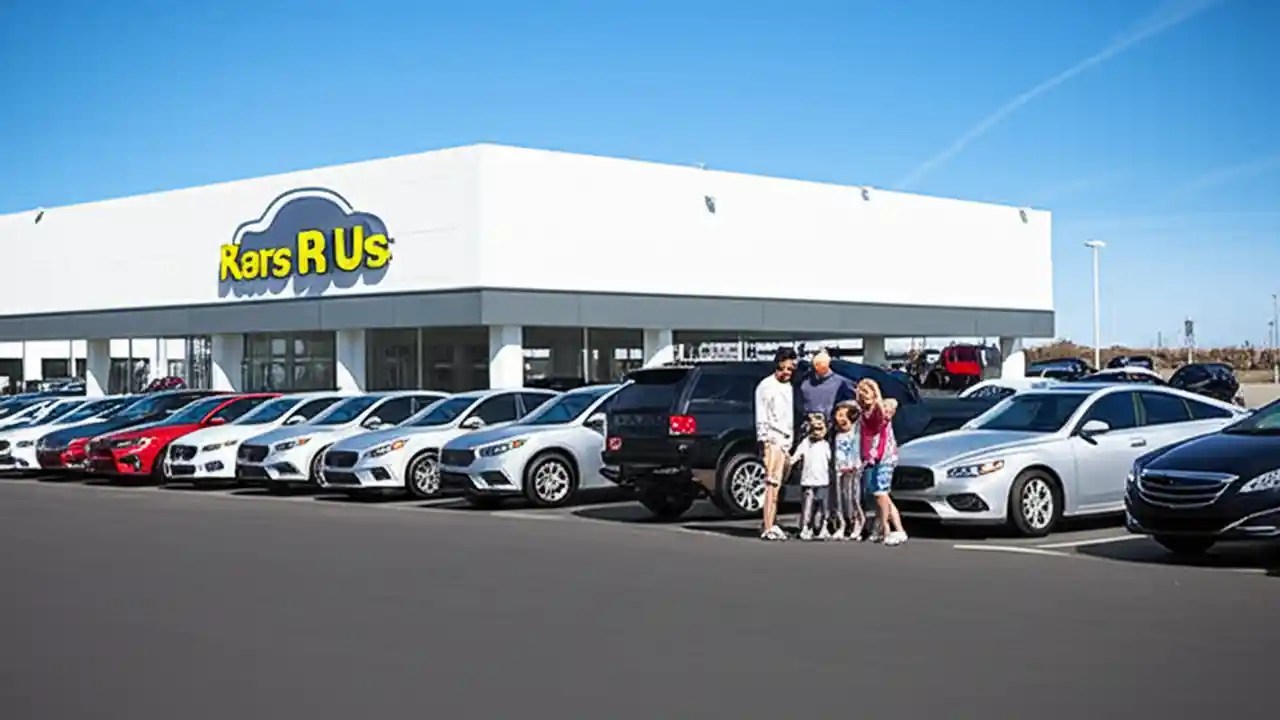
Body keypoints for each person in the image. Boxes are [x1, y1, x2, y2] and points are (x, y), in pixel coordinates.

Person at [797, 350, 854, 533]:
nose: (819, 371)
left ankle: (831, 519)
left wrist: (843, 421)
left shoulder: (840, 382)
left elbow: (854, 402)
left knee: (830, 481)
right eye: (816, 367)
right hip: (809, 432)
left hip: (831, 434)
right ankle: (808, 522)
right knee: (809, 480)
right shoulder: (805, 383)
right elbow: (798, 405)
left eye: (822, 367)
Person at [854, 379, 908, 546]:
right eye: (862, 393)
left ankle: (886, 529)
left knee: (880, 491)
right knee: (879, 494)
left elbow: (890, 405)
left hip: (884, 456)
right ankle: (898, 529)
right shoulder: (864, 413)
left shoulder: (879, 411)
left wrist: (880, 401)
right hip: (872, 456)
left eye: (867, 392)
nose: (864, 396)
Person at [754, 346, 798, 541]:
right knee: (772, 483)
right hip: (773, 438)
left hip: (786, 440)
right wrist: (764, 441)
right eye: (783, 368)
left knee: (778, 485)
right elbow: (762, 415)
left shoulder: (788, 387)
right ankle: (768, 526)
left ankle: (770, 522)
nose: (786, 373)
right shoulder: (766, 386)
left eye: (790, 369)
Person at [791, 413, 832, 540]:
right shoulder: (805, 443)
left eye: (820, 429)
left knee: (822, 507)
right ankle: (805, 527)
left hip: (823, 480)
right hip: (808, 480)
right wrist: (789, 461)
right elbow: (795, 457)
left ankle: (821, 527)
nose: (817, 432)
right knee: (807, 505)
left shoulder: (826, 445)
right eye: (814, 429)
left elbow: (830, 460)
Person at [831, 401, 865, 541]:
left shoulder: (856, 431)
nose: (840, 418)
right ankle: (842, 524)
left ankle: (858, 522)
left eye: (842, 415)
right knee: (840, 499)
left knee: (854, 498)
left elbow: (861, 413)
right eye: (838, 415)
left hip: (853, 467)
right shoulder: (837, 433)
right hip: (840, 468)